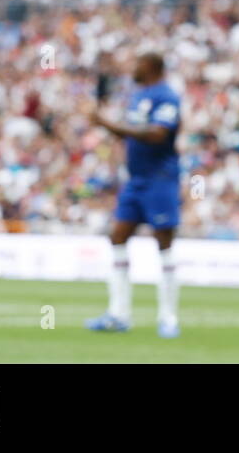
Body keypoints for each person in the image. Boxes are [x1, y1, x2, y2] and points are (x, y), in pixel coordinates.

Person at [85, 52, 183, 338]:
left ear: (152, 67)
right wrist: (106, 124)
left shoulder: (167, 97)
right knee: (117, 236)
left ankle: (168, 317)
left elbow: (157, 134)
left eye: (137, 64)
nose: (133, 69)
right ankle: (118, 314)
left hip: (160, 179)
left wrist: (106, 123)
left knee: (163, 243)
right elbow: (130, 133)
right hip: (135, 180)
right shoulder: (138, 96)